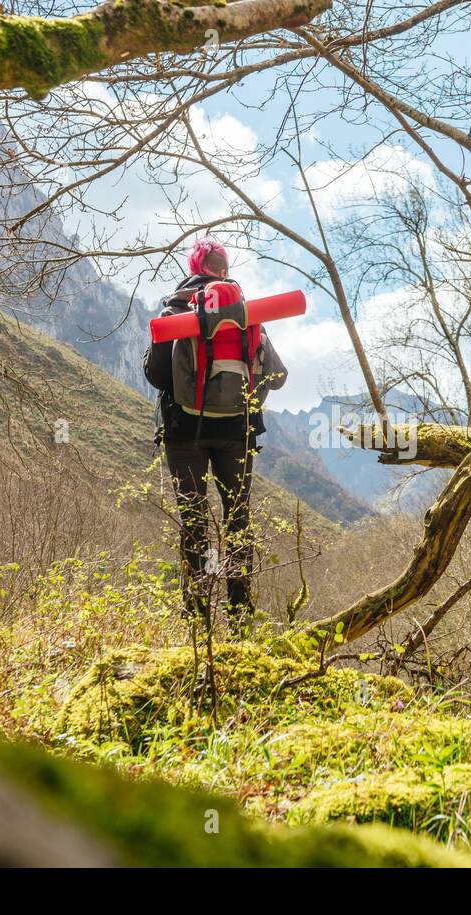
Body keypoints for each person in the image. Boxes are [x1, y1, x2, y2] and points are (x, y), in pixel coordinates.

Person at [144, 237, 287, 625]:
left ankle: (196, 617)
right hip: (237, 433)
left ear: (194, 267)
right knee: (237, 518)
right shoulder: (245, 312)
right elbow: (276, 376)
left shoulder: (176, 307)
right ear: (224, 269)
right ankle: (240, 617)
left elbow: (156, 374)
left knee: (194, 520)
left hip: (185, 431)